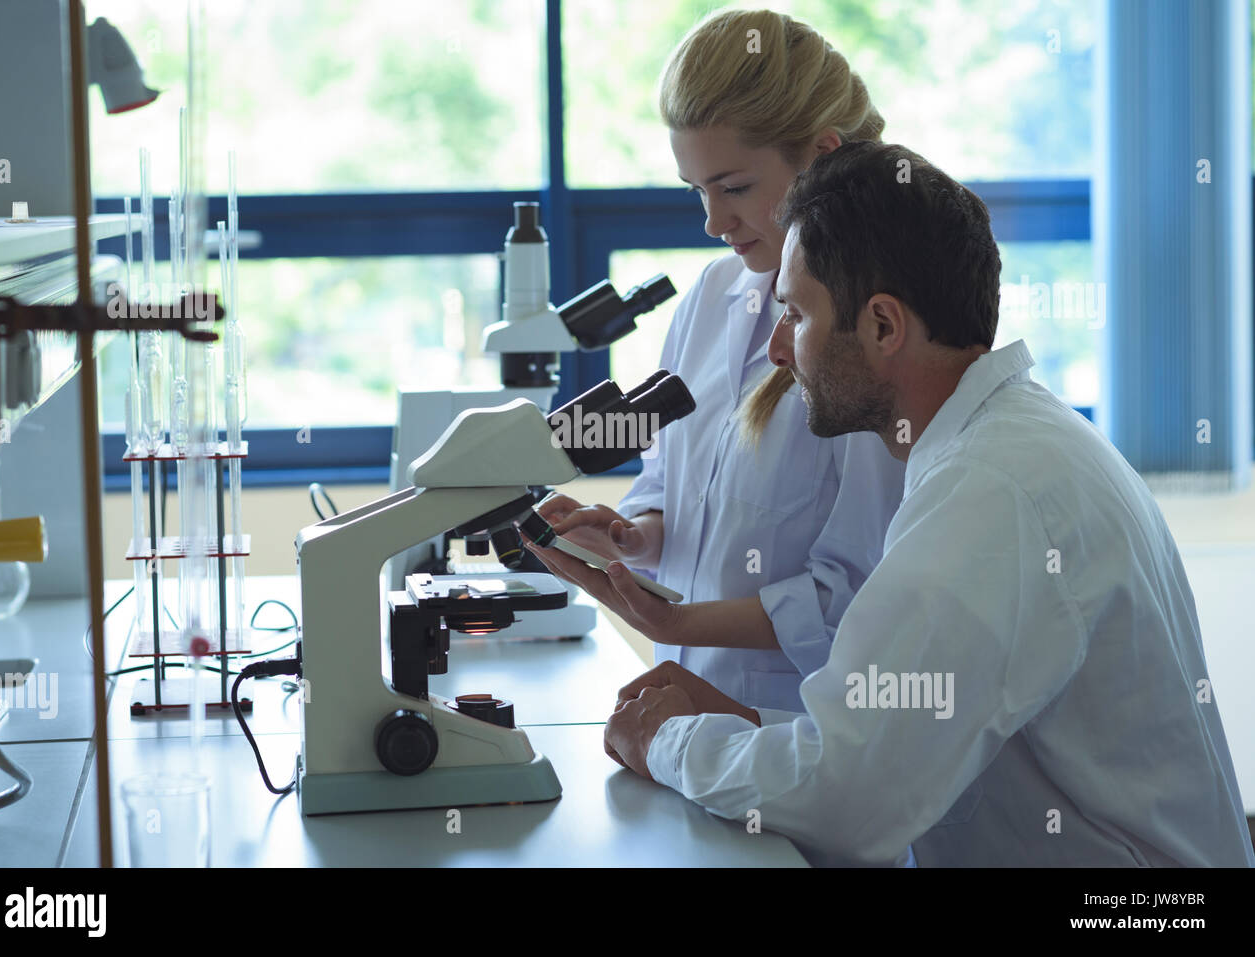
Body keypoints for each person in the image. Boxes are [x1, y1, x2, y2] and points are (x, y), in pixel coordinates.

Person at [597, 141, 1255, 868]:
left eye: (797, 316)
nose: (780, 351)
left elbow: (845, 801)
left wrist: (665, 740)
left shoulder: (990, 494)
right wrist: (741, 719)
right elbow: (898, 739)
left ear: (883, 326)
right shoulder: (1004, 442)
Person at [532, 10, 905, 714]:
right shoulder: (711, 295)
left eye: (733, 188)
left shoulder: (877, 334)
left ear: (821, 158)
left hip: (801, 730)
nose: (712, 221)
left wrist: (673, 623)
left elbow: (858, 593)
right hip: (690, 718)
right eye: (695, 191)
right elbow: (669, 483)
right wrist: (628, 536)